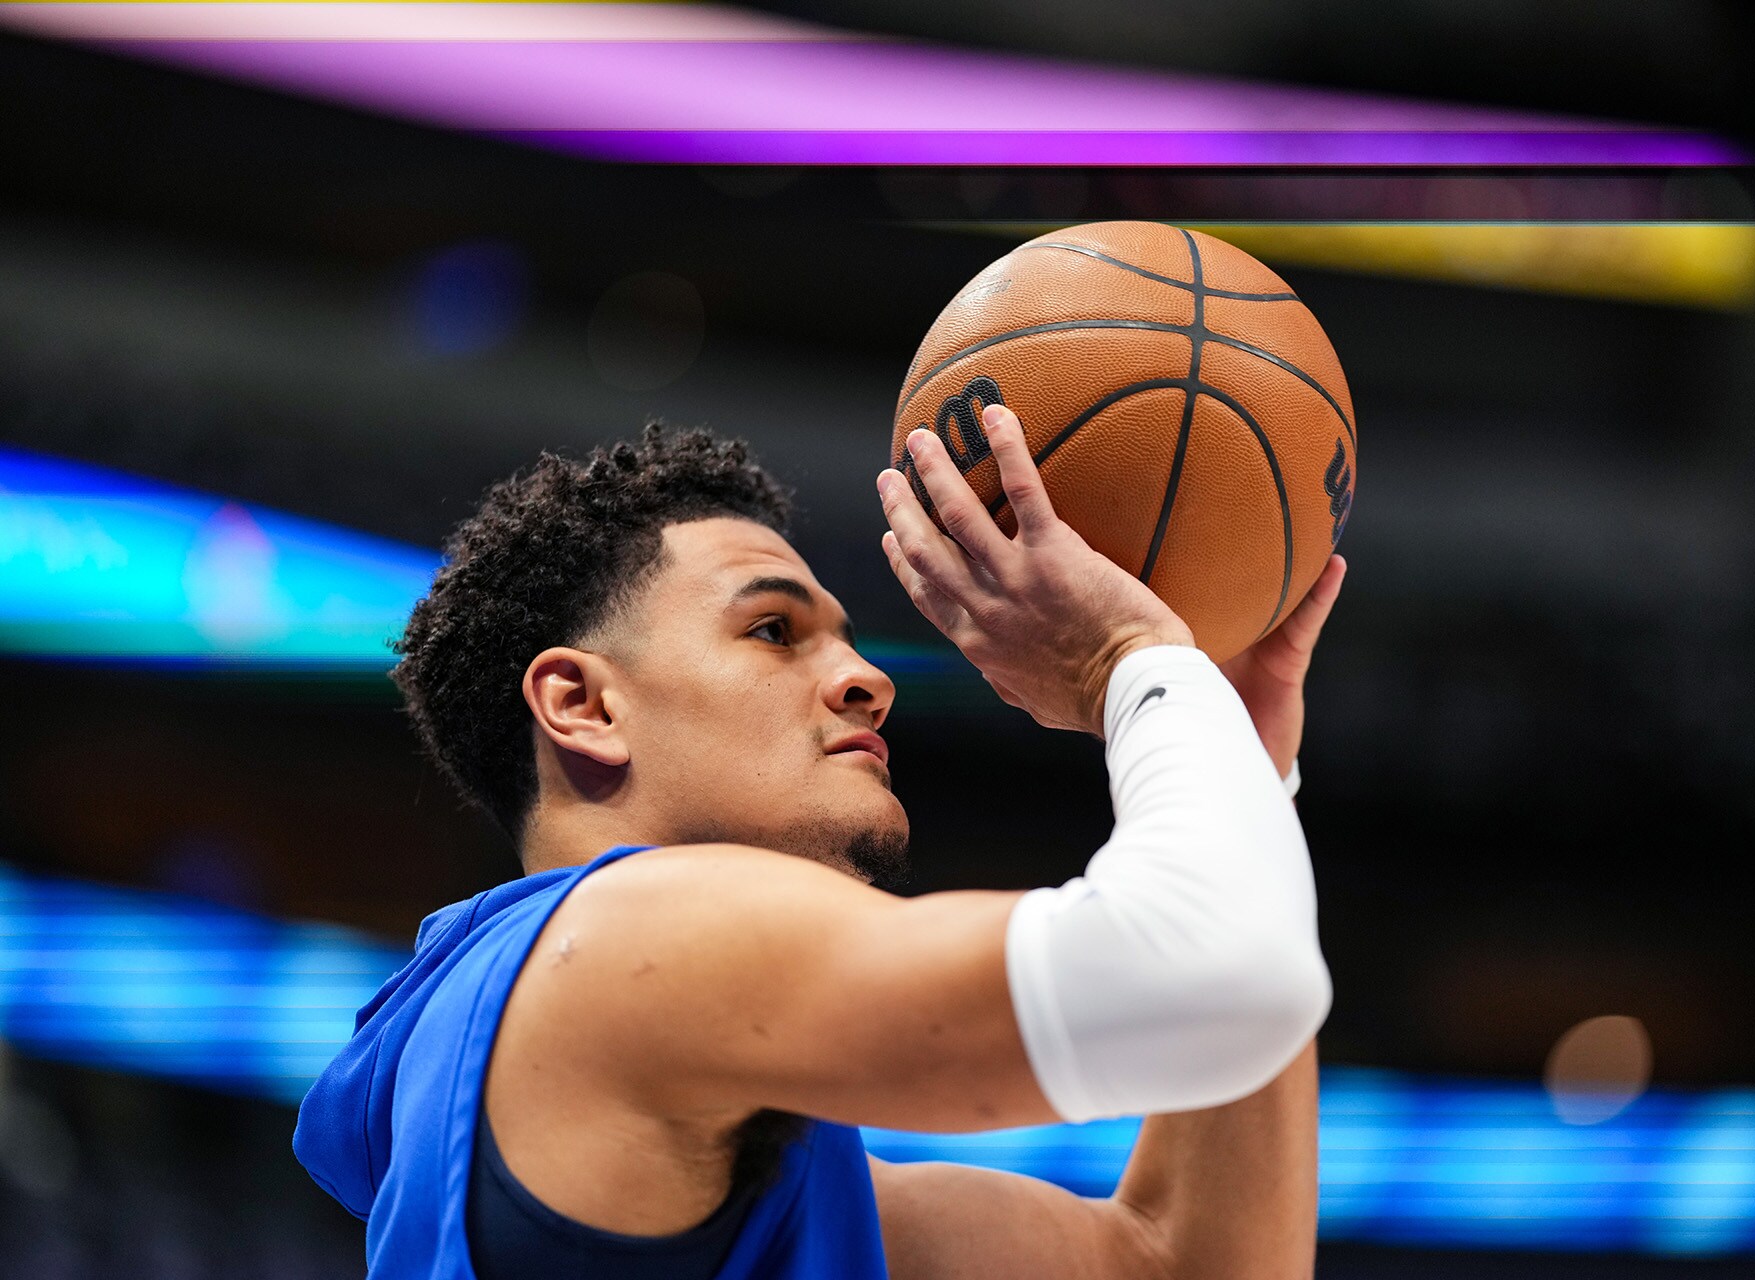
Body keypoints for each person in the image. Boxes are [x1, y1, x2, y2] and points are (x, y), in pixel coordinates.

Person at [294, 404, 1345, 1280]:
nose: (866, 678)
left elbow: (1184, 1261)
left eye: (844, 637)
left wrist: (1243, 765)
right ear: (582, 703)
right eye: (771, 630)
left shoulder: (621, 1076)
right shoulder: (623, 939)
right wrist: (1138, 660)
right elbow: (1217, 980)